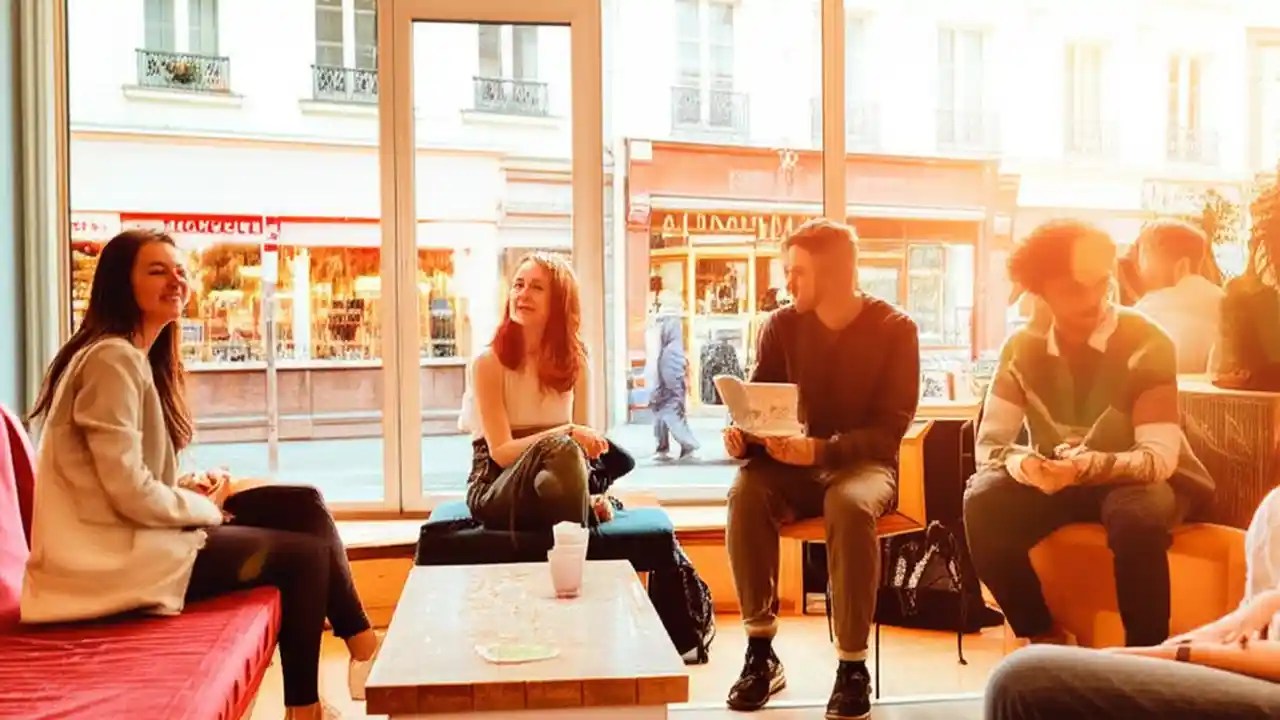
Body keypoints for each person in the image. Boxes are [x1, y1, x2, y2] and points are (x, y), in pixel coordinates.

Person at [20, 229, 378, 720]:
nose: (177, 280)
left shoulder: (133, 357)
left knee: (303, 503)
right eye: (156, 270)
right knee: (303, 556)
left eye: (180, 270)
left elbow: (119, 477)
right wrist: (205, 509)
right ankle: (308, 709)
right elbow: (126, 490)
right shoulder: (111, 359)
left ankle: (364, 650)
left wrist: (185, 489)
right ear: (121, 284)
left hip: (131, 532)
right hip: (110, 560)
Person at [965, 219, 1215, 650]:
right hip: (1057, 475)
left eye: (1101, 284)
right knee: (981, 500)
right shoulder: (1020, 348)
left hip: (1138, 476)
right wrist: (1025, 465)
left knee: (1135, 517)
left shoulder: (1147, 340)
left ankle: (1145, 654)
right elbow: (990, 446)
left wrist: (1082, 469)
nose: (1095, 299)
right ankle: (1042, 634)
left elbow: (1158, 457)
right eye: (1075, 288)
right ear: (1041, 291)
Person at [722, 219, 920, 720]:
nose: (787, 284)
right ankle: (760, 652)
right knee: (746, 491)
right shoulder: (782, 326)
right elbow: (761, 404)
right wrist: (744, 438)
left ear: (834, 275)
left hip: (863, 465)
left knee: (849, 504)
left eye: (798, 274)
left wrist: (819, 451)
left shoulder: (896, 330)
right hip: (791, 465)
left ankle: (852, 667)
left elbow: (889, 431)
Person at [984, 486, 1280, 719]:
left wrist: (1170, 656)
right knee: (1026, 677)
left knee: (1026, 680)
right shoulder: (1275, 511)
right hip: (1250, 671)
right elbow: (1243, 632)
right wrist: (1151, 655)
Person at [462, 252, 634, 531]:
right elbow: (502, 453)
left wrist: (572, 439)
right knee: (563, 451)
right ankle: (584, 531)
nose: (523, 294)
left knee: (552, 482)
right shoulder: (488, 363)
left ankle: (576, 520)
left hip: (555, 478)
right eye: (518, 285)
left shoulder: (576, 362)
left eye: (536, 287)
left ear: (559, 302)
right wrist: (565, 432)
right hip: (496, 486)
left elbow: (585, 448)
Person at [1133, 220, 1225, 373]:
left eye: (1145, 259)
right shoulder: (1226, 305)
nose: (1140, 270)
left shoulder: (1145, 313)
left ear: (1182, 266)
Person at [650, 313, 699, 461]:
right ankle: (663, 448)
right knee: (663, 418)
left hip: (669, 393)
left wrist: (660, 393)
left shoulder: (670, 351)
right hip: (668, 392)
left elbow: (669, 375)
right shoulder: (672, 348)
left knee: (671, 418)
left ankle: (688, 446)